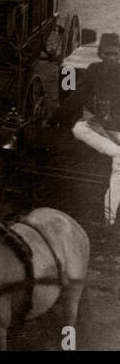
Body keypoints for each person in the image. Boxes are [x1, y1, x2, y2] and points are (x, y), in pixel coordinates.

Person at [65, 34, 120, 226]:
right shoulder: (93, 70)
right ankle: (109, 217)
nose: (111, 58)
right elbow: (77, 96)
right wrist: (59, 117)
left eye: (115, 54)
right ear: (101, 54)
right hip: (96, 126)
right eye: (107, 54)